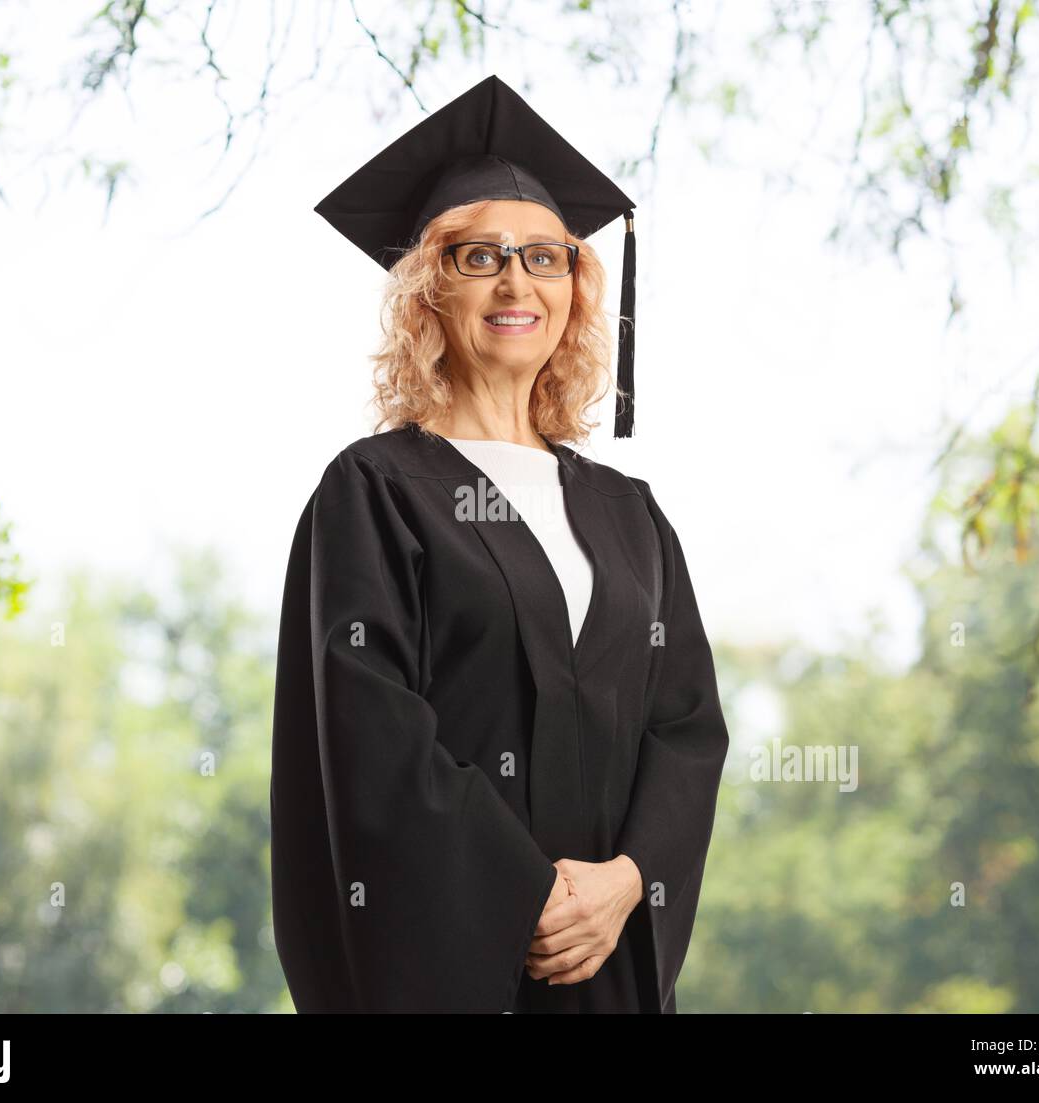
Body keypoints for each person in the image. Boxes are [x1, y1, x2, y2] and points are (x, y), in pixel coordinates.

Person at [270, 74, 730, 1013]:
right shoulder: (377, 490)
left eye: (545, 257)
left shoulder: (630, 516)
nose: (518, 282)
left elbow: (685, 728)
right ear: (429, 290)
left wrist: (626, 878)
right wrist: (523, 892)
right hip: (458, 973)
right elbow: (374, 735)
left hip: (608, 972)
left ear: (574, 288)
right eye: (481, 256)